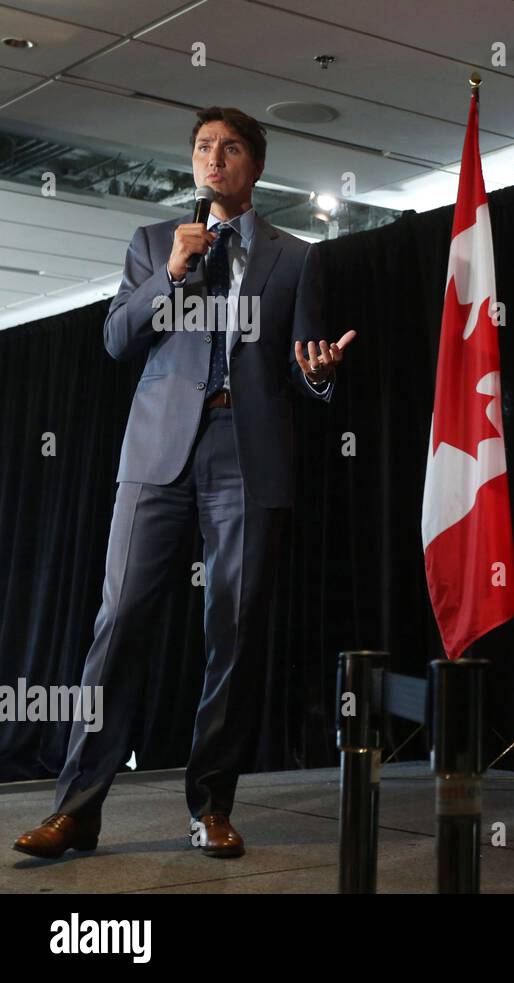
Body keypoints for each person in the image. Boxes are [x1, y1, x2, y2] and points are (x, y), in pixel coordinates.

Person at [13, 106, 355, 860]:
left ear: (255, 165)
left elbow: (303, 366)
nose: (213, 158)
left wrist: (319, 373)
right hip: (157, 453)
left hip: (246, 451)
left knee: (233, 631)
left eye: (229, 148)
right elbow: (116, 338)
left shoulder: (297, 259)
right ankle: (77, 810)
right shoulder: (152, 243)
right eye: (203, 147)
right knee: (119, 623)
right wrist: (169, 273)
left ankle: (211, 807)